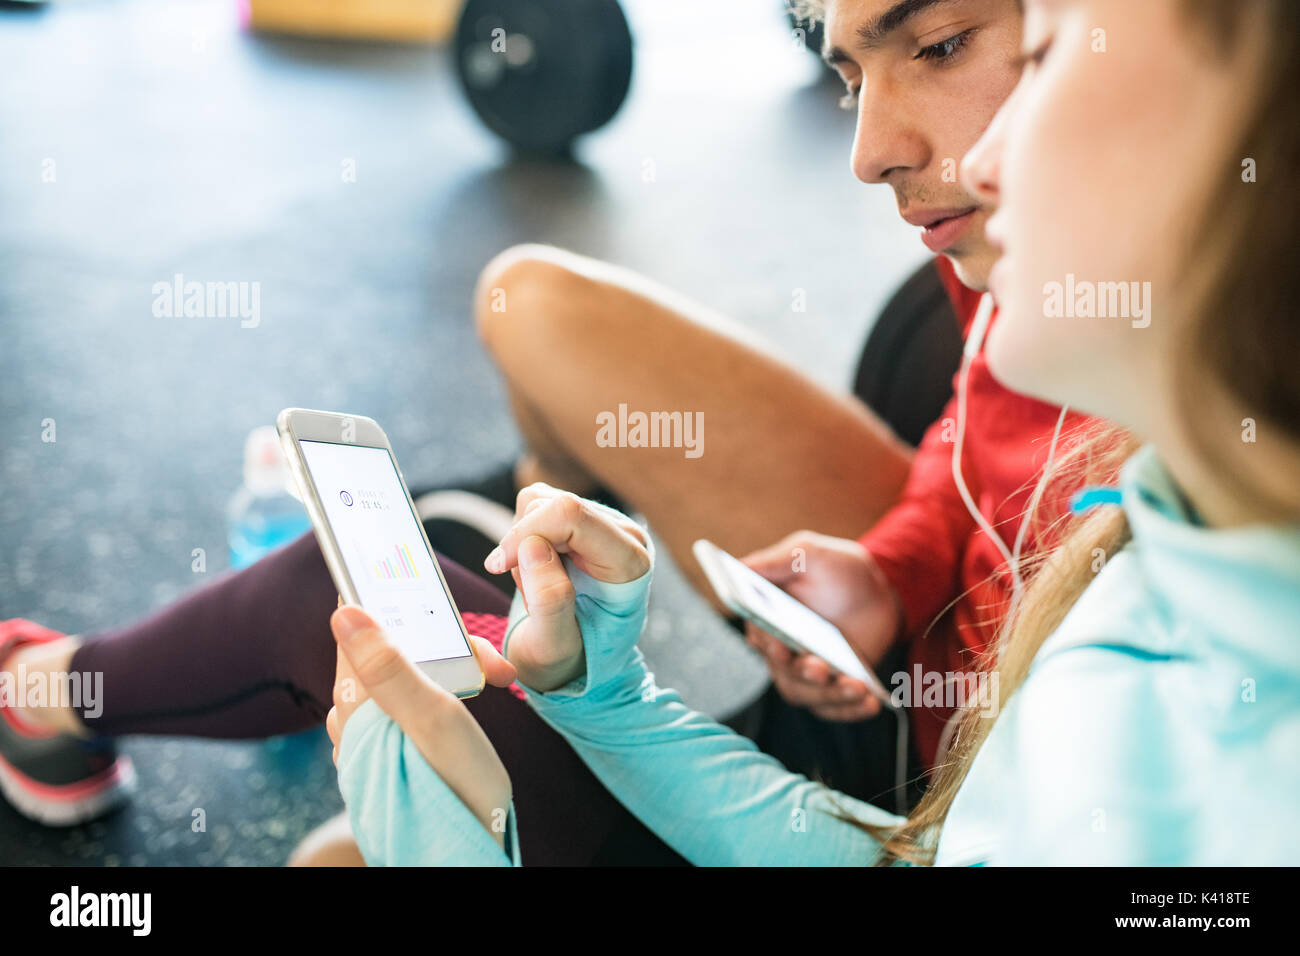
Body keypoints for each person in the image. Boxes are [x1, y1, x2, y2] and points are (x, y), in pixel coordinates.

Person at [2, 0, 1070, 843]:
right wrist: (895, 567)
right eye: (848, 77)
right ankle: (506, 546)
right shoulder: (1023, 220)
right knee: (531, 307)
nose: (870, 148)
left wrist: (538, 783)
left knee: (347, 612)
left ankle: (33, 695)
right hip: (914, 687)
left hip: (916, 816)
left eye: (936, 45)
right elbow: (976, 422)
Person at [325, 0, 1300, 865]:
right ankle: (509, 503)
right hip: (905, 752)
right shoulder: (1141, 543)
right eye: (846, 79)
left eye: (957, 46)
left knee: (340, 761)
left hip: (902, 754)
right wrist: (609, 693)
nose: (866, 152)